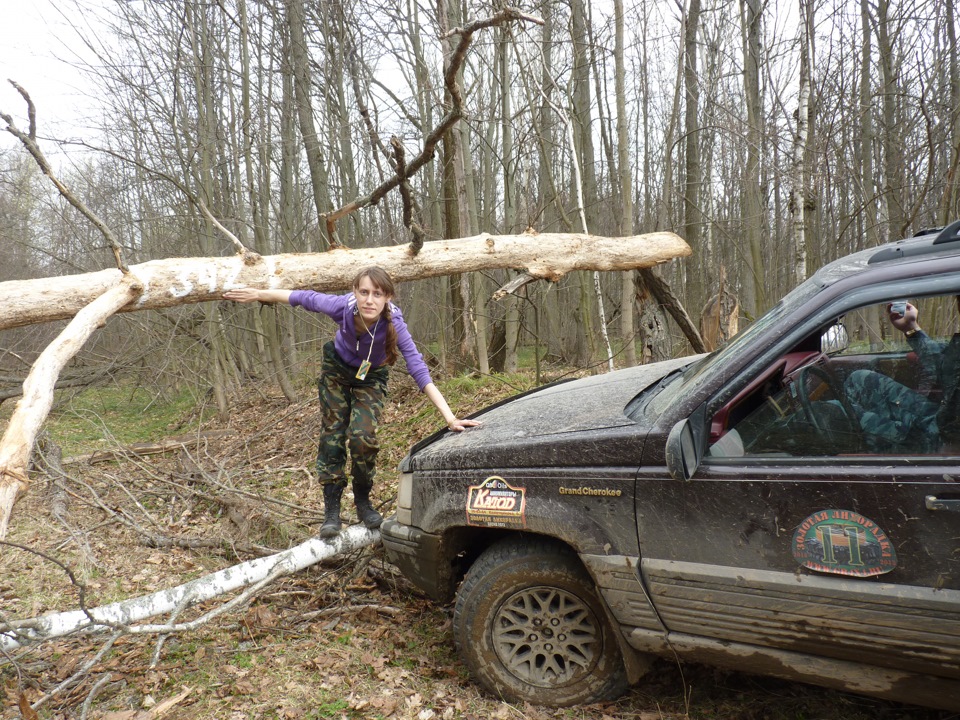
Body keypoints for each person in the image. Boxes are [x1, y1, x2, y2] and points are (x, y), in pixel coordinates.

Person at [224, 267, 482, 538]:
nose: (370, 300)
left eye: (377, 294)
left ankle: (362, 500)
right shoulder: (342, 307)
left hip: (371, 376)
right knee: (333, 434)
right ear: (355, 292)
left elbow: (419, 369)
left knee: (362, 437)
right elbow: (301, 297)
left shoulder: (395, 324)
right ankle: (332, 510)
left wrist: (450, 418)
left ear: (388, 297)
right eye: (364, 292)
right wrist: (259, 294)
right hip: (336, 370)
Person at [844, 298, 960, 453]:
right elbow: (947, 364)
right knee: (860, 379)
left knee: (840, 417)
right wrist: (911, 328)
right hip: (941, 417)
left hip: (942, 439)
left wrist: (949, 452)